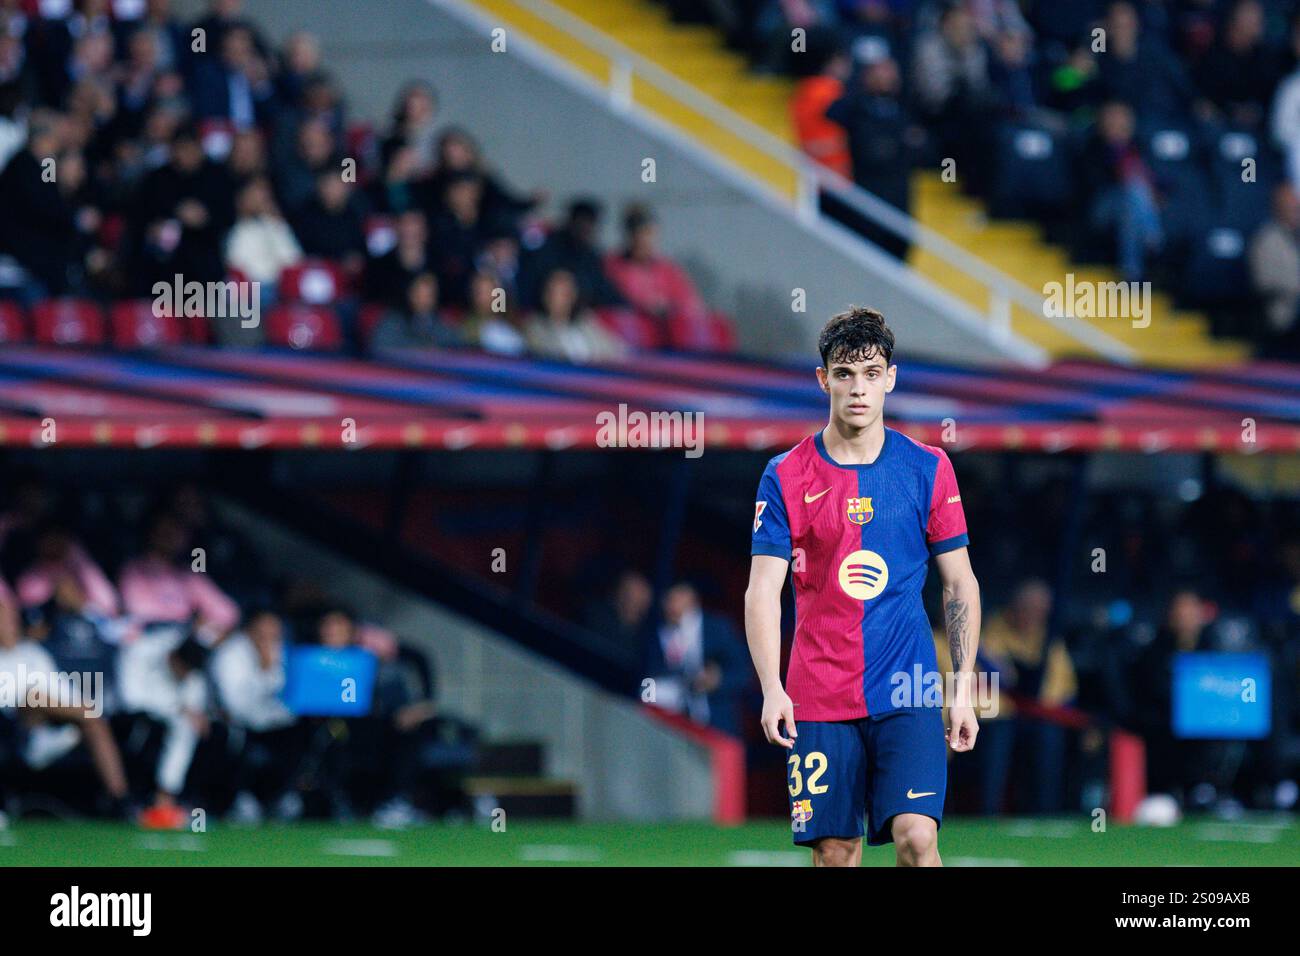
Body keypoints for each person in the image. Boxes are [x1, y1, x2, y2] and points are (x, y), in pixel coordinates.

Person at [744, 306, 981, 867]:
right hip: (820, 690)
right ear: (823, 379)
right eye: (845, 374)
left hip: (908, 688)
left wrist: (963, 685)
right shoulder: (785, 474)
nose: (858, 388)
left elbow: (959, 583)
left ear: (890, 379)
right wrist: (772, 688)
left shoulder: (928, 468)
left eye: (871, 374)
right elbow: (762, 590)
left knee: (918, 841)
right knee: (835, 851)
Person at [211, 607, 304, 822]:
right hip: (235, 719)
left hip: (270, 720)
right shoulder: (230, 653)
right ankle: (240, 797)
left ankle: (281, 796)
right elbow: (233, 702)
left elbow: (284, 690)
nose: (271, 633)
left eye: (275, 628)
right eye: (265, 627)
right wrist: (264, 670)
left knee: (300, 732)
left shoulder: (280, 650)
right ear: (251, 628)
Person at [117, 629, 211, 828]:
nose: (186, 676)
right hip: (128, 718)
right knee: (182, 724)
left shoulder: (190, 660)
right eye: (184, 669)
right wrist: (176, 708)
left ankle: (165, 800)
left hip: (167, 720)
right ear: (172, 658)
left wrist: (186, 712)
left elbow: (193, 705)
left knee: (191, 727)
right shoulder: (140, 653)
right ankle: (157, 800)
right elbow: (131, 700)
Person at [646, 581, 749, 737]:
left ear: (692, 599)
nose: (672, 605)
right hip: (669, 725)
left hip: (714, 727)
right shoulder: (657, 632)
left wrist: (717, 679)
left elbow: (744, 672)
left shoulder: (718, 629)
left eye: (678, 598)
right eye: (668, 599)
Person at [524, 268, 626, 364]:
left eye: (565, 293)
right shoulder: (535, 326)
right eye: (554, 292)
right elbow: (548, 358)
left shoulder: (586, 322)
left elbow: (617, 350)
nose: (559, 299)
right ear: (545, 295)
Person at [1248, 183, 1300, 355]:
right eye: (1292, 208)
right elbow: (1264, 281)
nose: (1297, 213)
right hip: (1285, 312)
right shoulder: (1266, 239)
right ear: (1278, 209)